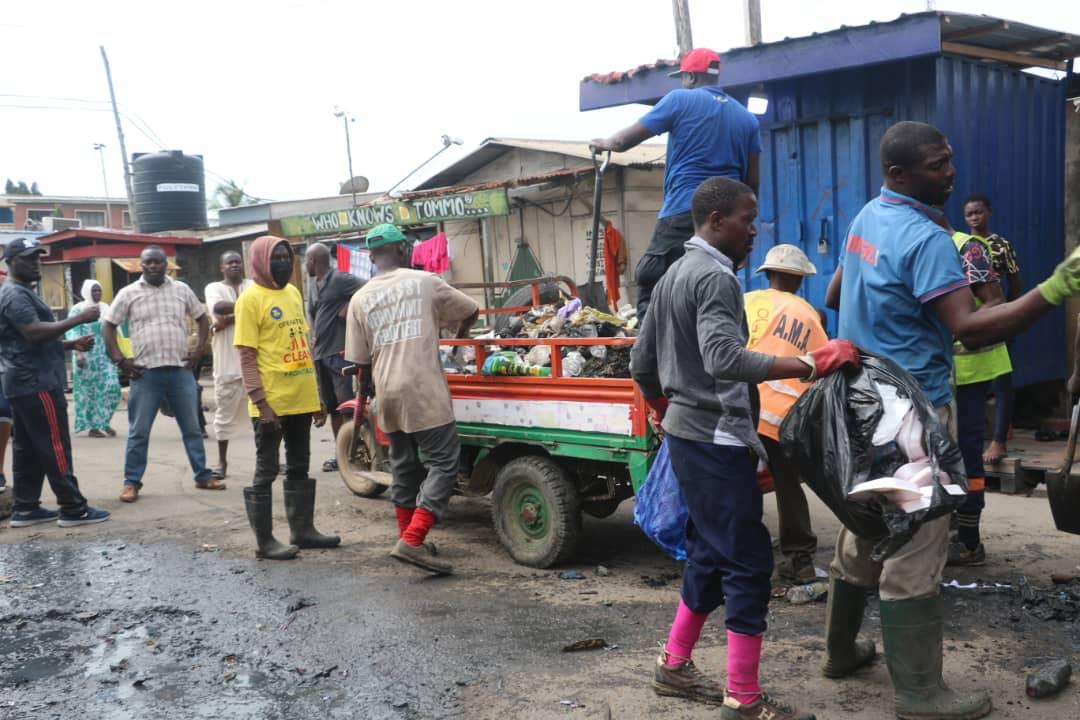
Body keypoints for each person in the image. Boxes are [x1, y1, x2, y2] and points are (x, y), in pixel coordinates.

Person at [822, 120, 1080, 720]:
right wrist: (1055, 288)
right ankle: (920, 693)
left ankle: (839, 653)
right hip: (912, 415)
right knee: (917, 545)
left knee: (866, 526)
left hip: (861, 402)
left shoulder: (867, 218)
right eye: (937, 165)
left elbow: (837, 296)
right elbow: (970, 327)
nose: (951, 172)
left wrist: (902, 318)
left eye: (949, 160)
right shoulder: (927, 238)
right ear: (900, 173)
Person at [630, 177, 858, 720]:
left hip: (691, 434)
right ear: (716, 221)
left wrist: (666, 408)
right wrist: (810, 364)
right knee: (749, 562)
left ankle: (674, 665)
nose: (754, 231)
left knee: (711, 552)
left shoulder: (673, 273)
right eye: (747, 220)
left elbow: (641, 362)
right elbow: (724, 359)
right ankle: (744, 698)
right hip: (715, 438)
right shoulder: (714, 276)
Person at [344, 223, 479, 575]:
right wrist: (458, 339)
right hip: (423, 391)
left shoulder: (359, 299)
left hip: (387, 393)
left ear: (371, 257)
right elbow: (470, 309)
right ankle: (413, 540)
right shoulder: (424, 282)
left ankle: (408, 540)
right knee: (444, 463)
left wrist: (364, 396)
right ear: (403, 250)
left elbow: (360, 363)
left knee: (404, 468)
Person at [591, 48, 761, 319]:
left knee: (651, 277)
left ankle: (650, 344)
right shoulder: (747, 118)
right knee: (714, 285)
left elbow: (622, 142)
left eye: (683, 77)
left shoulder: (679, 100)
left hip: (686, 210)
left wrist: (604, 143)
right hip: (729, 220)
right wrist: (744, 222)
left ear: (691, 77)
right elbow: (752, 181)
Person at [234, 235, 339, 560]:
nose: (282, 262)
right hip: (271, 402)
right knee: (266, 470)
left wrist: (317, 397)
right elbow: (247, 357)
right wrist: (261, 403)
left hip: (300, 398)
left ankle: (302, 531)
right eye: (275, 258)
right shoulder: (250, 300)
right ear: (260, 261)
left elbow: (303, 348)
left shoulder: (293, 292)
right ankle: (265, 541)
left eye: (286, 257)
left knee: (299, 465)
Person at [0, 237, 110, 527]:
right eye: (29, 258)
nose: (36, 263)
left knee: (27, 448)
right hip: (36, 383)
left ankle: (26, 508)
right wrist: (78, 319)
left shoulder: (19, 292)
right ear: (10, 262)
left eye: (38, 257)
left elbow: (24, 342)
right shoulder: (15, 295)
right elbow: (34, 332)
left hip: (23, 382)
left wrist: (70, 345)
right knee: (55, 444)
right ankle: (73, 507)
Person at [103, 246, 223, 502]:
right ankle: (131, 483)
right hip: (145, 374)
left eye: (158, 262)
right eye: (148, 262)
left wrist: (199, 351)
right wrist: (120, 360)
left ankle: (202, 476)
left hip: (180, 371)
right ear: (141, 265)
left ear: (165, 264)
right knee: (139, 431)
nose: (153, 266)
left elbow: (202, 318)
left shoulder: (181, 289)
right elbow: (108, 325)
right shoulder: (128, 293)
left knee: (192, 428)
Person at [744, 244, 827, 585]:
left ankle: (741, 557)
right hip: (781, 417)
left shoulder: (746, 301)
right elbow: (822, 363)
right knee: (788, 485)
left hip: (740, 407)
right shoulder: (806, 312)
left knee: (738, 485)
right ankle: (799, 560)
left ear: (768, 274)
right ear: (799, 279)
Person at [946, 223, 1009, 568]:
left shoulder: (966, 247)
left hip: (972, 370)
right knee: (941, 455)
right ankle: (950, 527)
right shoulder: (914, 244)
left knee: (967, 454)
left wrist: (955, 334)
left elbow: (995, 300)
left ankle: (969, 541)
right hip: (939, 371)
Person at [963, 193, 1020, 465]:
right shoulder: (963, 245)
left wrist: (1010, 314)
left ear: (989, 212)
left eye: (978, 212)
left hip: (997, 318)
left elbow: (1015, 282)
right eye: (969, 214)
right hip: (971, 321)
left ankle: (999, 440)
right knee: (972, 383)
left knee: (1002, 379)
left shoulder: (1001, 246)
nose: (974, 217)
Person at [304, 242, 365, 472]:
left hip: (340, 354)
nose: (306, 264)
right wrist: (313, 334)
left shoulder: (339, 279)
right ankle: (341, 454)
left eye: (307, 260)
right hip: (321, 354)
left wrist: (349, 306)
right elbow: (311, 312)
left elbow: (369, 288)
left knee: (346, 405)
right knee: (332, 407)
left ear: (313, 261)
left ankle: (355, 451)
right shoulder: (313, 285)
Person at [204, 251, 253, 479]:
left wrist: (229, 319)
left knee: (264, 415)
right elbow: (218, 308)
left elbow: (259, 312)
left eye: (237, 262)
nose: (234, 265)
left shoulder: (252, 285)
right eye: (229, 262)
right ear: (221, 267)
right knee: (223, 415)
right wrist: (248, 309)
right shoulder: (213, 287)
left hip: (254, 359)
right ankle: (222, 462)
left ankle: (270, 459)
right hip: (227, 362)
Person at [66, 280, 121, 438]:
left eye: (99, 290)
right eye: (94, 291)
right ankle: (94, 427)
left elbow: (113, 330)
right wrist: (79, 354)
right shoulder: (78, 310)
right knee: (89, 393)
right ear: (87, 292)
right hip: (85, 355)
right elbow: (72, 332)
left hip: (104, 356)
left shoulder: (105, 308)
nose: (97, 293)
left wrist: (116, 353)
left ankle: (104, 421)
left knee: (112, 388)